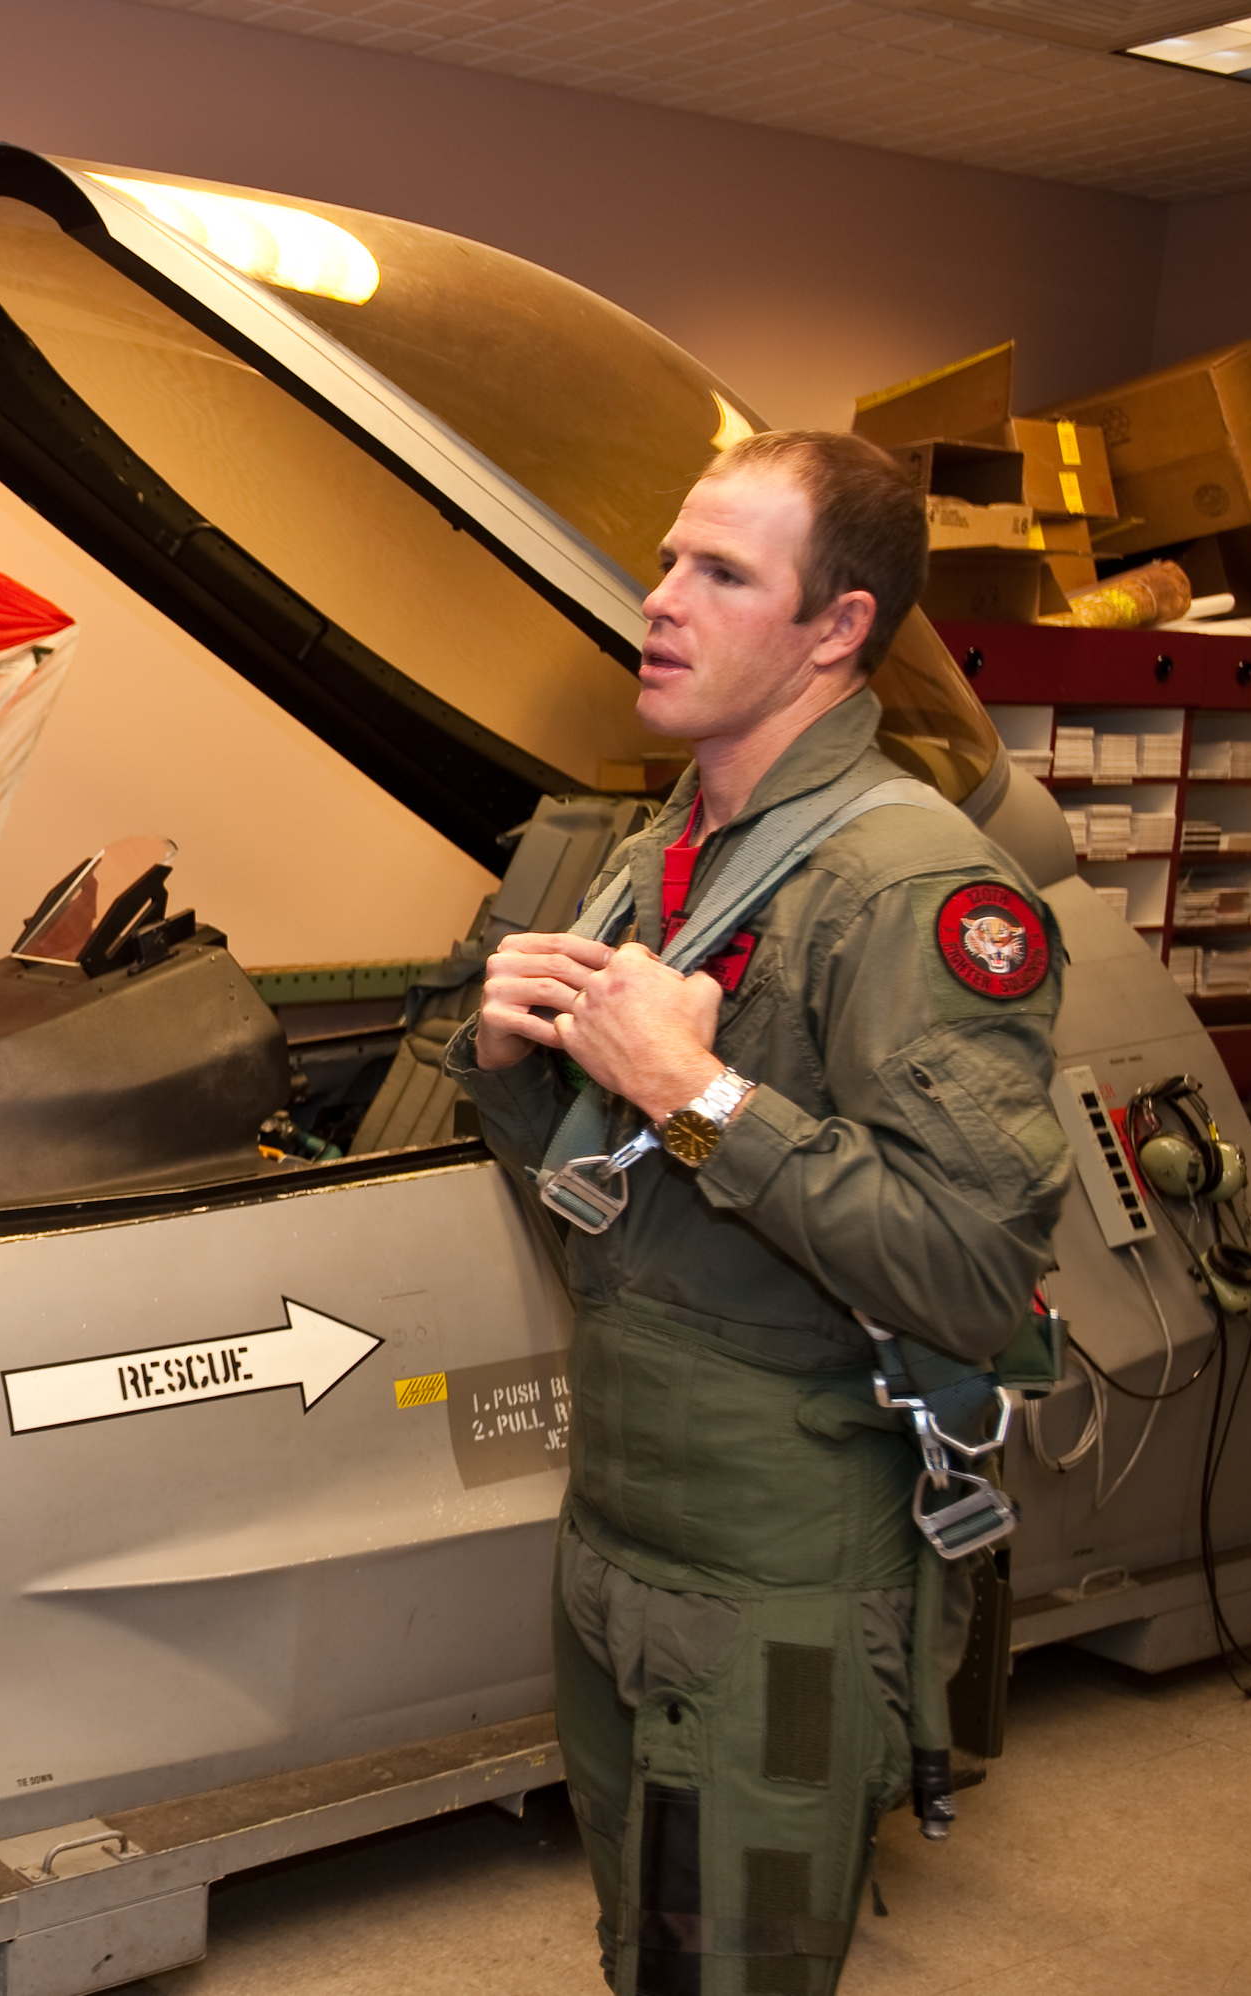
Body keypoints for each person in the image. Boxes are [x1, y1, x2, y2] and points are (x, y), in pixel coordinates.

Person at [445, 431, 1068, 1996]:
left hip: (781, 1568)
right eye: (667, 562)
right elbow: (616, 1219)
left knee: (729, 1965)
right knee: (640, 1948)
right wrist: (513, 1071)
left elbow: (973, 1269)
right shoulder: (666, 856)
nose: (659, 602)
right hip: (621, 1535)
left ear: (837, 628)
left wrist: (700, 1096)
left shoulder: (907, 886)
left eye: (720, 573)